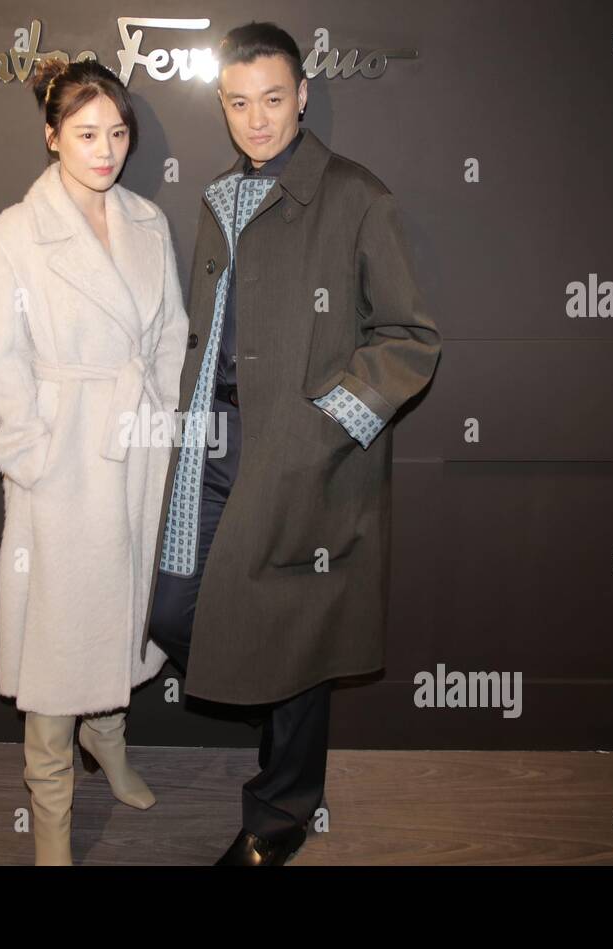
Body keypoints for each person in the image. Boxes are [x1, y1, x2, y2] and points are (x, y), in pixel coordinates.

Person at [145, 22, 443, 865]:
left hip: (304, 460)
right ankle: (267, 705)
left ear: (303, 96)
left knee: (297, 631)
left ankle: (281, 816)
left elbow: (410, 338)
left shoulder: (355, 196)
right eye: (238, 104)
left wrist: (320, 427)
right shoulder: (216, 199)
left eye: (273, 99)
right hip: (216, 441)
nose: (257, 119)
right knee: (175, 608)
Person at [0, 57, 189, 865]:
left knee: (124, 614)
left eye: (118, 133)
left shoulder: (147, 221)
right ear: (51, 136)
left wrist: (162, 425)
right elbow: (6, 361)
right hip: (63, 461)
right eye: (86, 133)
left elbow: (170, 332)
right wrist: (31, 455)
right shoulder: (14, 235)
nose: (105, 151)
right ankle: (53, 818)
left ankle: (112, 745)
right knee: (60, 645)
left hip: (133, 451)